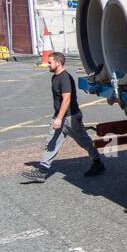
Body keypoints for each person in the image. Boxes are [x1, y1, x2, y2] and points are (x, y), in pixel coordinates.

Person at [22, 51, 105, 183]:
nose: (48, 65)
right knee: (51, 142)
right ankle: (42, 171)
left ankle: (97, 162)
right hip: (61, 117)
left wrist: (59, 118)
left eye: (50, 62)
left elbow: (66, 99)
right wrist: (57, 117)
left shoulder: (65, 78)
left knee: (85, 142)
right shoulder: (55, 76)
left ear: (58, 63)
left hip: (70, 118)